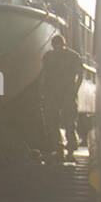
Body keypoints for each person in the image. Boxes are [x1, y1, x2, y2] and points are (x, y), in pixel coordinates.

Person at [40, 34, 83, 162]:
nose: (57, 48)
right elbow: (44, 74)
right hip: (55, 93)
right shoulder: (50, 56)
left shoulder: (72, 56)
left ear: (63, 45)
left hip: (65, 93)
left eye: (58, 46)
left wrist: (74, 90)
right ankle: (59, 149)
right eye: (55, 46)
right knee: (53, 121)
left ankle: (69, 150)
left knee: (68, 122)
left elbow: (79, 75)